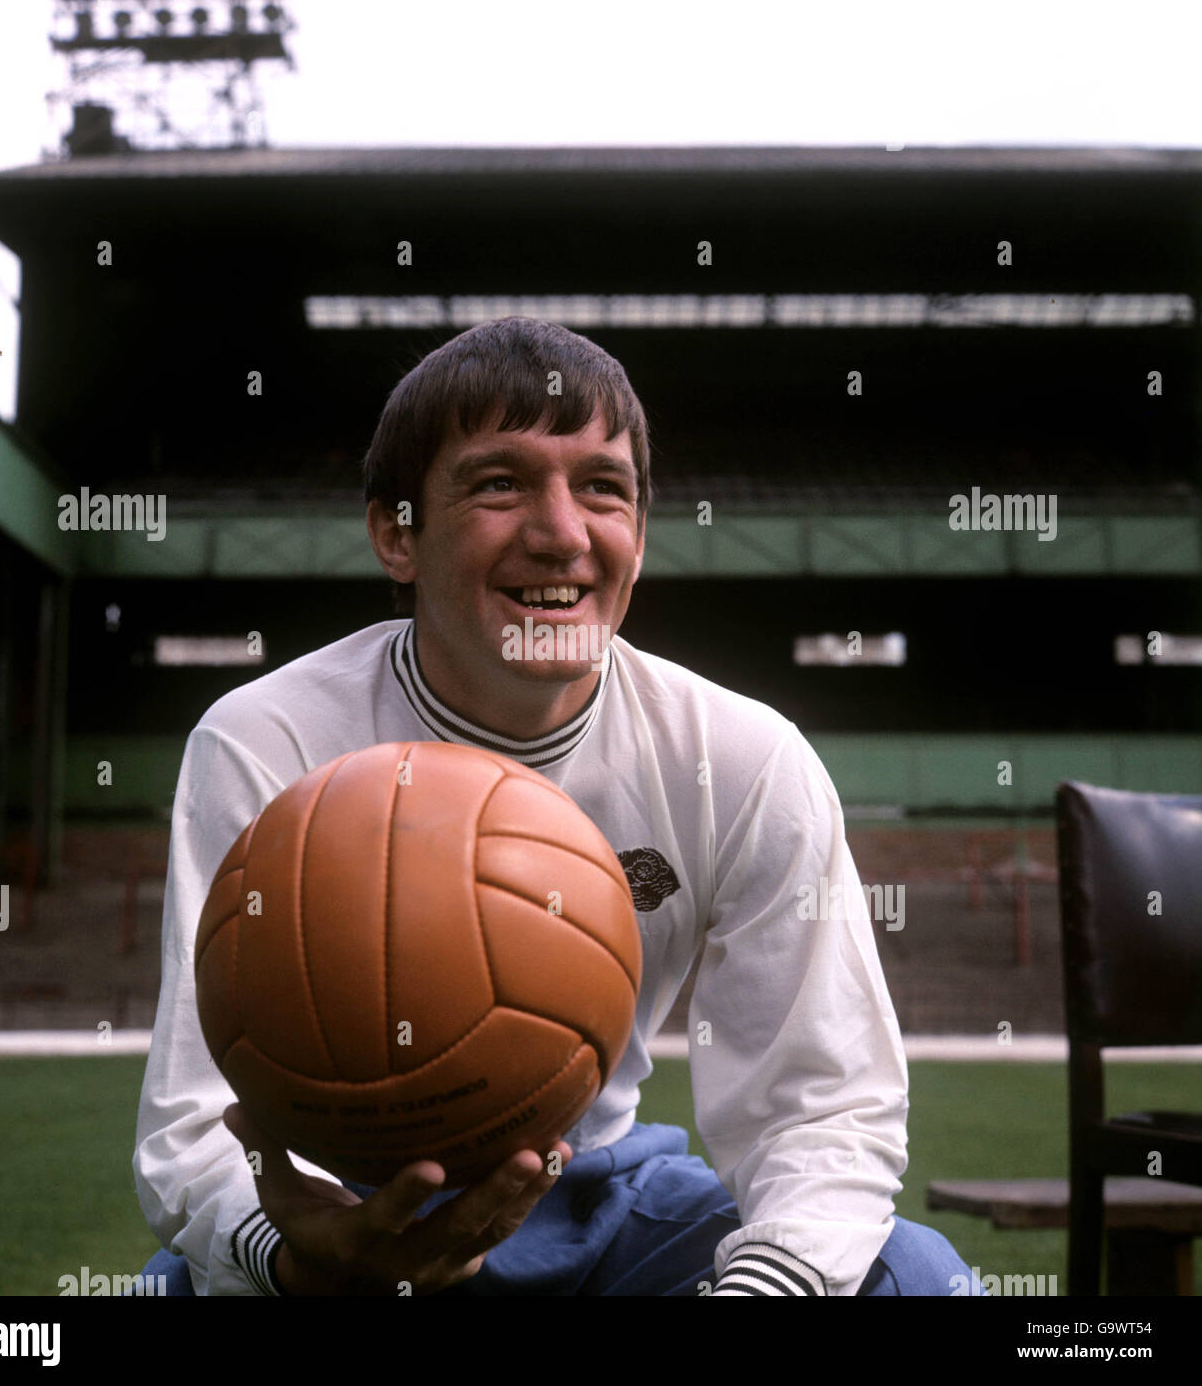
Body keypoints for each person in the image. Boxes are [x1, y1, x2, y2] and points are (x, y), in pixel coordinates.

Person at [132, 316, 978, 1296]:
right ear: (395, 532)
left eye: (603, 490)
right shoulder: (263, 738)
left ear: (639, 537)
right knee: (184, 1288)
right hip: (348, 1199)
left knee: (912, 1278)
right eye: (500, 483)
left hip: (607, 1193)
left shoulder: (743, 757)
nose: (564, 532)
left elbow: (821, 1106)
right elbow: (193, 1117)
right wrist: (293, 1249)